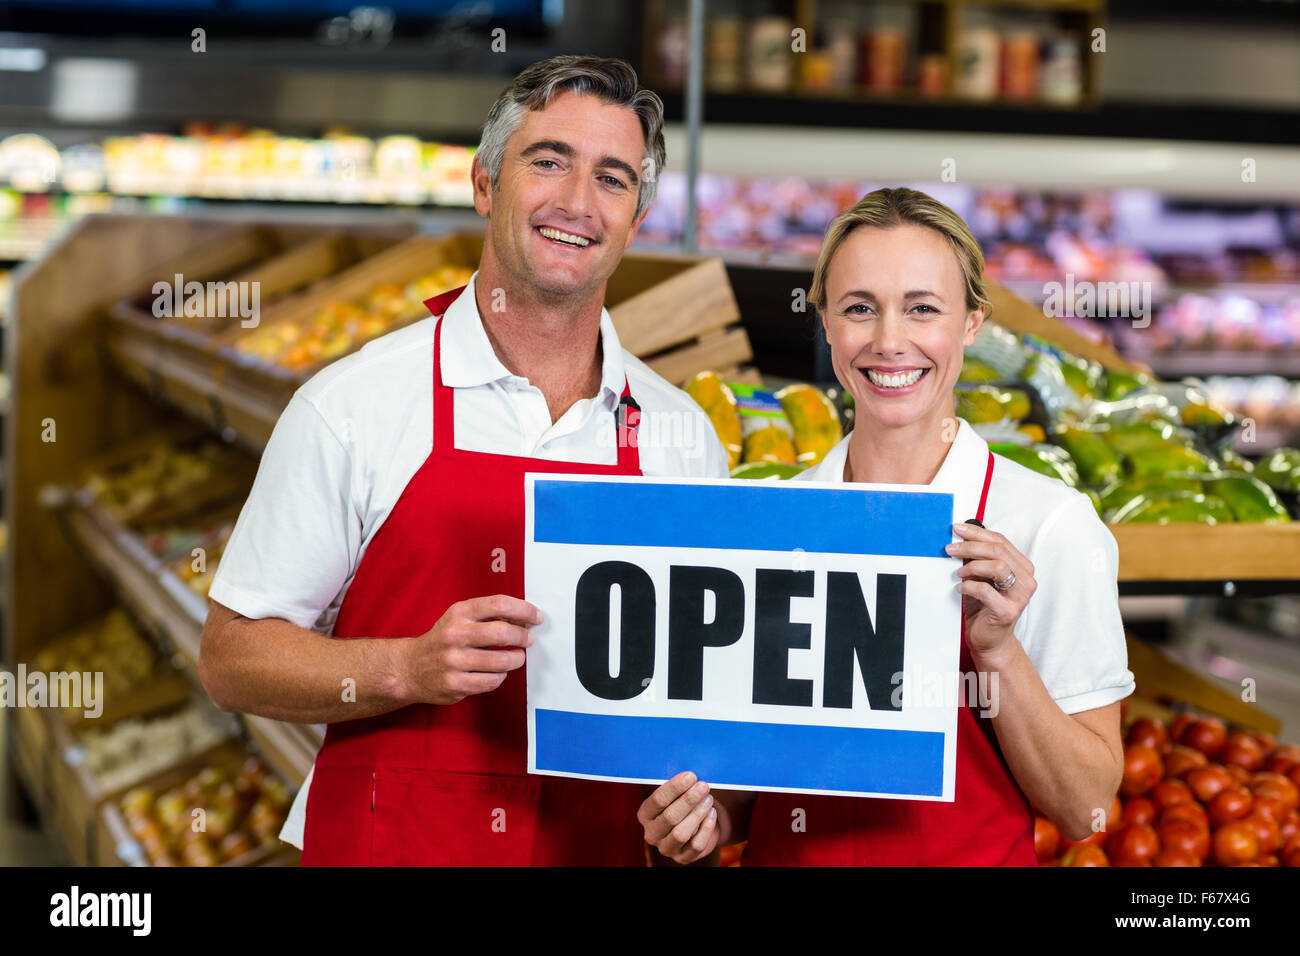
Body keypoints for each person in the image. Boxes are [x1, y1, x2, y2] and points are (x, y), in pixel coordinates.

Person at [199, 55, 729, 866]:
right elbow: (233, 660)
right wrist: (404, 668)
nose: (578, 203)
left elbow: (705, 706)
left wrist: (707, 809)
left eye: (613, 179)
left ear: (636, 217)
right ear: (485, 185)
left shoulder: (680, 436)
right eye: (548, 161)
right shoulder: (355, 404)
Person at [638, 187, 1134, 866]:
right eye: (859, 309)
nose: (889, 341)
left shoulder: (1049, 525)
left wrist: (997, 652)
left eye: (923, 309)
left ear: (971, 324)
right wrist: (702, 822)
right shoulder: (773, 522)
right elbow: (750, 789)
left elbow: (1085, 809)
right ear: (827, 325)